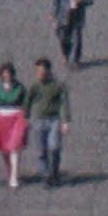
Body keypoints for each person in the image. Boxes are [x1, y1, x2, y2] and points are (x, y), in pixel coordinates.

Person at [23, 57, 70, 187]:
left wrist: (66, 121)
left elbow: (64, 103)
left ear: (48, 71)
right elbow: (28, 101)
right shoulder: (35, 86)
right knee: (41, 151)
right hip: (39, 121)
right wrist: (25, 117)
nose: (39, 74)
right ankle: (45, 176)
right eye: (37, 71)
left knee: (54, 147)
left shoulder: (58, 85)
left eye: (41, 72)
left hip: (54, 120)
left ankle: (54, 172)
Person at [0, 62, 28, 188]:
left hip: (16, 117)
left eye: (9, 74)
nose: (7, 76)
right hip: (2, 118)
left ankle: (14, 176)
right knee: (4, 149)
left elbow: (25, 103)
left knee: (15, 147)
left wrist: (26, 117)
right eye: (4, 74)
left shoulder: (20, 87)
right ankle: (10, 170)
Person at [51, 0, 93, 69]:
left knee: (77, 38)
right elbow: (56, 1)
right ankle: (65, 55)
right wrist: (52, 15)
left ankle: (75, 60)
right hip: (64, 16)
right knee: (63, 37)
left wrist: (82, 0)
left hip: (77, 16)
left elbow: (90, 0)